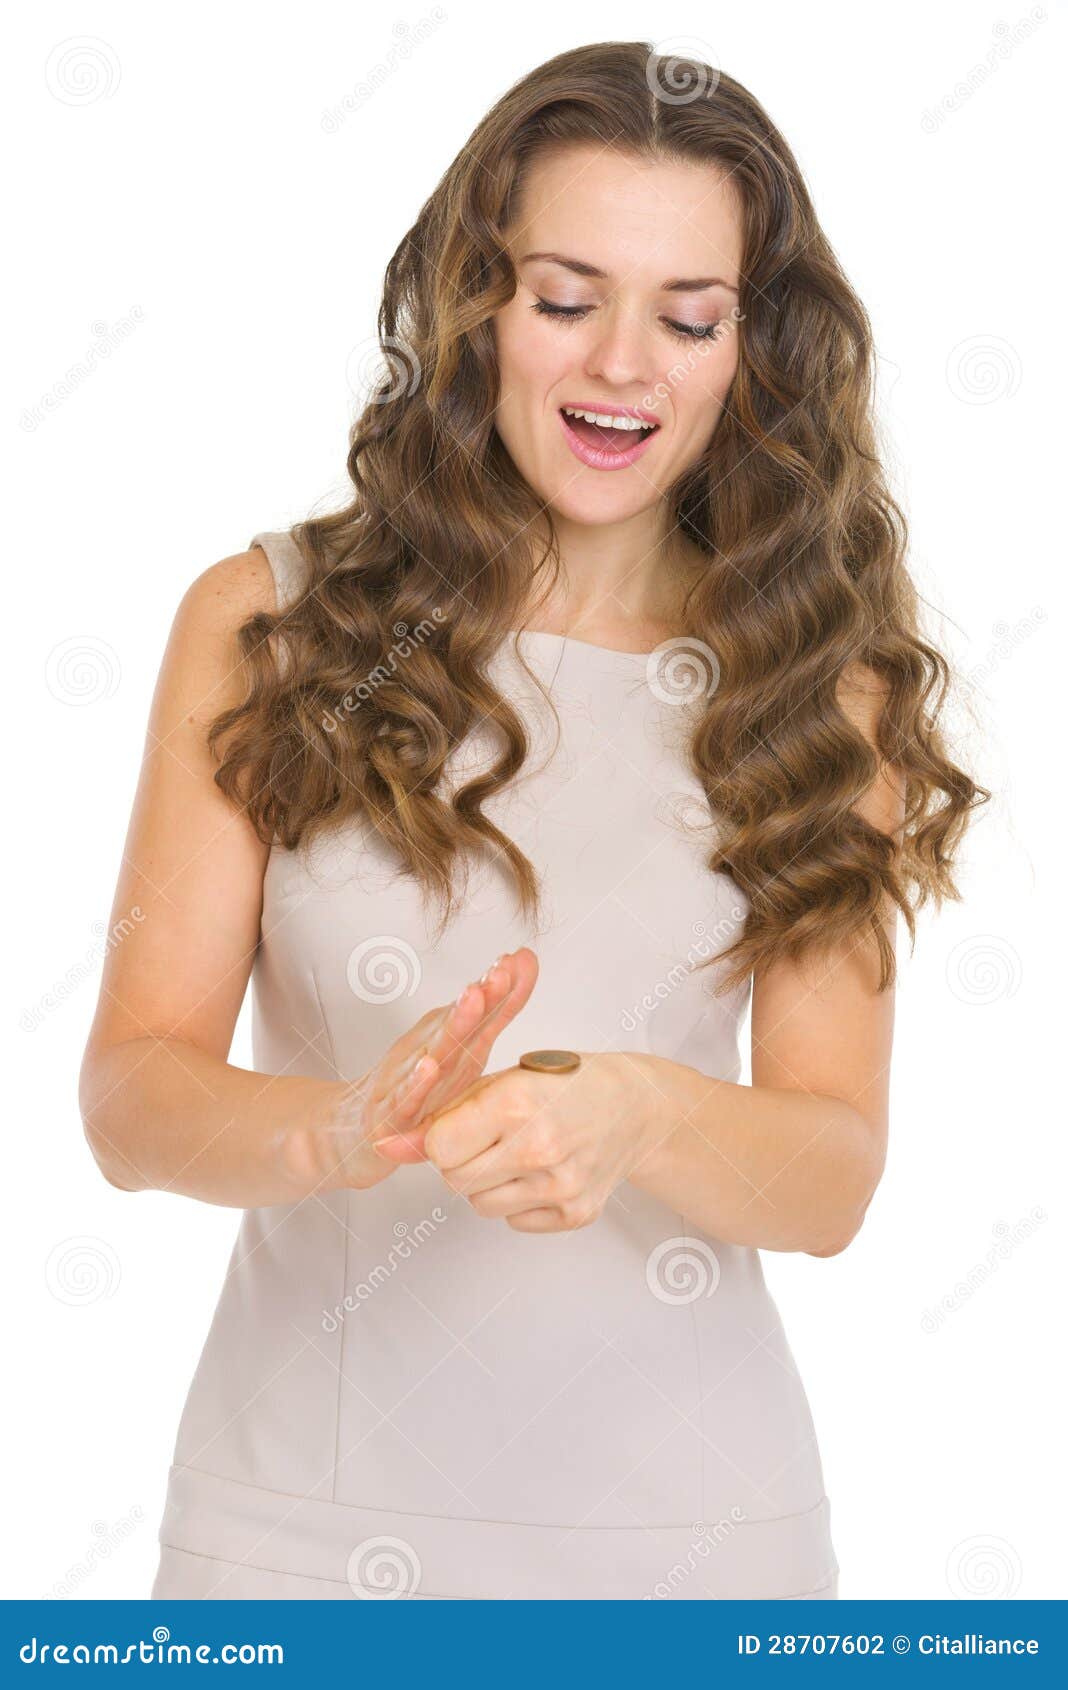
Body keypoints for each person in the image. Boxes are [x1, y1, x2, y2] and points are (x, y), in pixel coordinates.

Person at [79, 41, 988, 1601]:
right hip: (291, 1548)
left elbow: (834, 1171)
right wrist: (335, 1130)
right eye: (566, 299)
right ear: (474, 313)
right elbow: (130, 1092)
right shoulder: (269, 631)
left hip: (700, 1562)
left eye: (687, 317)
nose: (622, 365)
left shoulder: (816, 693)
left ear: (750, 354)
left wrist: (640, 1112)